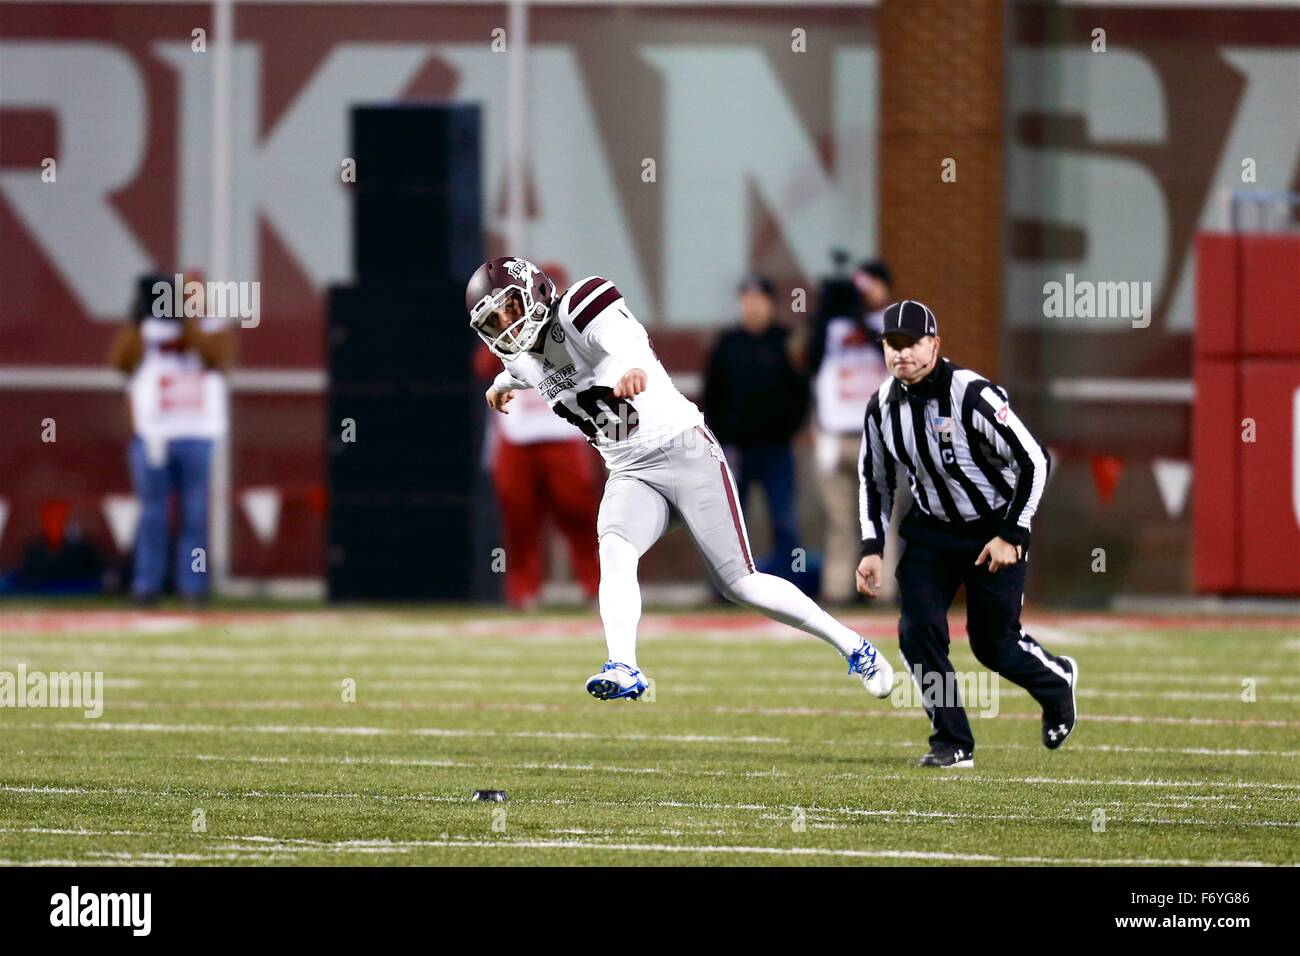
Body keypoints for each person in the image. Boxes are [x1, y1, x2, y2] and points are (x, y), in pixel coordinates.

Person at [466, 256, 894, 701]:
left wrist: (633, 367)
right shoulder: (523, 362)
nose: (507, 325)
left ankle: (853, 645)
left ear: (534, 290)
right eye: (493, 320)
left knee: (740, 584)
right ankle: (624, 667)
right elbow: (520, 372)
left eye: (510, 308)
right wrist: (499, 387)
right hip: (631, 472)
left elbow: (624, 338)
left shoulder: (579, 307)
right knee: (613, 547)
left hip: (684, 451)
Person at [856, 300, 1078, 768]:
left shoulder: (972, 394)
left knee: (994, 645)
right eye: (892, 345)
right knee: (918, 631)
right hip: (930, 534)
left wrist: (1012, 531)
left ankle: (1056, 684)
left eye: (912, 343)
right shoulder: (881, 406)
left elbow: (1035, 459)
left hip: (992, 530)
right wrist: (872, 547)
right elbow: (875, 479)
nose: (902, 354)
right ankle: (952, 741)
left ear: (934, 344)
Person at [473, 264, 601, 610]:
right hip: (518, 433)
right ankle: (523, 589)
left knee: (577, 513)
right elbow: (484, 365)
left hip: (562, 430)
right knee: (519, 517)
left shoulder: (576, 326)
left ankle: (597, 585)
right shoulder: (510, 322)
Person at [107, 273, 232, 603]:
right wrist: (138, 317)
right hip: (153, 434)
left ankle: (192, 585)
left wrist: (187, 317)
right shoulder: (146, 326)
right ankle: (147, 584)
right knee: (152, 513)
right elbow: (120, 362)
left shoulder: (212, 326)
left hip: (197, 432)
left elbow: (216, 358)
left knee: (194, 513)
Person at [701, 273, 808, 578]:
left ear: (771, 304)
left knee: (784, 518)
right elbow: (713, 394)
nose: (752, 306)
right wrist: (718, 438)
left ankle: (792, 583)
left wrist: (790, 429)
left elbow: (801, 392)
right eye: (746, 300)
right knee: (730, 521)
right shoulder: (727, 344)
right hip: (735, 448)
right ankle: (728, 585)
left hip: (777, 448)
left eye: (758, 299)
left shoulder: (786, 342)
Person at [807, 259, 894, 604]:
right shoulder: (832, 325)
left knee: (883, 523)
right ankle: (838, 590)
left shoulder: (893, 322)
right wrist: (826, 313)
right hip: (835, 435)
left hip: (879, 437)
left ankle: (882, 593)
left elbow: (893, 355)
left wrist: (861, 319)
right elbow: (809, 361)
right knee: (840, 523)